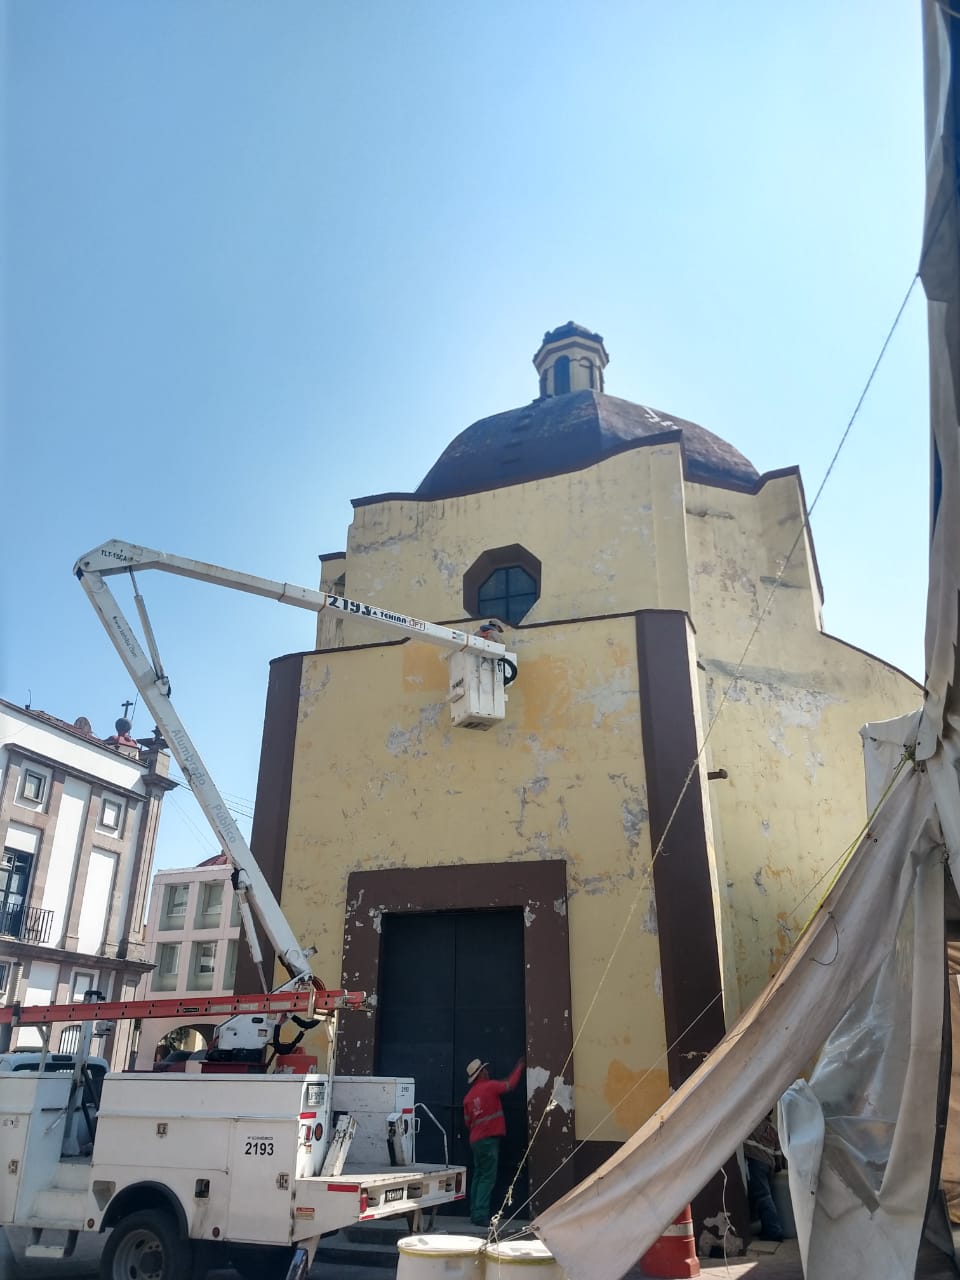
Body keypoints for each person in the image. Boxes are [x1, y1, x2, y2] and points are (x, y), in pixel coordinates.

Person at [462, 1055, 524, 1228]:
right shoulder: (490, 1087)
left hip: (476, 1141)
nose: (487, 1071)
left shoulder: (468, 1097)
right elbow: (510, 1085)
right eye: (484, 1069)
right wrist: (519, 1067)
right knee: (487, 1177)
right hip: (489, 1141)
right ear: (481, 1073)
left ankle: (474, 1212)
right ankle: (481, 1215)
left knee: (478, 1176)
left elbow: (467, 1122)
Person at [745, 1113, 785, 1242]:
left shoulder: (752, 1123)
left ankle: (773, 1231)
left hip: (756, 1163)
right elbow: (779, 1159)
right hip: (769, 1166)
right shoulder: (773, 1129)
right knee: (765, 1197)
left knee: (763, 1197)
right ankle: (768, 1228)